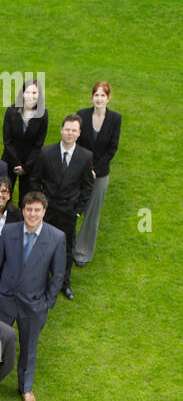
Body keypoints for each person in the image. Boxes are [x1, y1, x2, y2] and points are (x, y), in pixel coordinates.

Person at [0, 190, 65, 401]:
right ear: (23, 210)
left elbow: (57, 275)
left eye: (37, 210)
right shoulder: (10, 230)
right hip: (5, 299)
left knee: (29, 348)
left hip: (33, 304)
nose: (32, 214)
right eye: (29, 209)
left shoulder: (56, 237)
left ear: (44, 211)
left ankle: (26, 387)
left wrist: (46, 304)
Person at [34, 116, 94, 298]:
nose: (70, 133)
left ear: (79, 133)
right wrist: (39, 206)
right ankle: (40, 281)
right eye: (67, 129)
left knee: (66, 249)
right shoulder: (46, 153)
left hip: (69, 211)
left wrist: (78, 211)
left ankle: (64, 283)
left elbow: (87, 186)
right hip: (48, 209)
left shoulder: (85, 156)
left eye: (74, 130)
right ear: (61, 130)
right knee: (42, 246)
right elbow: (35, 180)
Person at [74, 82, 121, 267]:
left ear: (108, 98)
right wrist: (86, 169)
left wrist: (96, 170)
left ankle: (82, 252)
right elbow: (76, 142)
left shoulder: (115, 119)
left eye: (103, 95)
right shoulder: (82, 115)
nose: (99, 99)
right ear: (92, 97)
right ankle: (67, 245)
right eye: (96, 95)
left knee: (92, 212)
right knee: (73, 206)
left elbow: (112, 148)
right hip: (80, 170)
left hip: (100, 174)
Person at [1, 78, 48, 201]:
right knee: (4, 195)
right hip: (10, 160)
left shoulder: (43, 114)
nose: (30, 96)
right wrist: (16, 163)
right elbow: (7, 140)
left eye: (34, 93)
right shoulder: (11, 111)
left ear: (39, 95)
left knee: (26, 198)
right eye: (27, 92)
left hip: (30, 164)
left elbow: (39, 144)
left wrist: (26, 167)